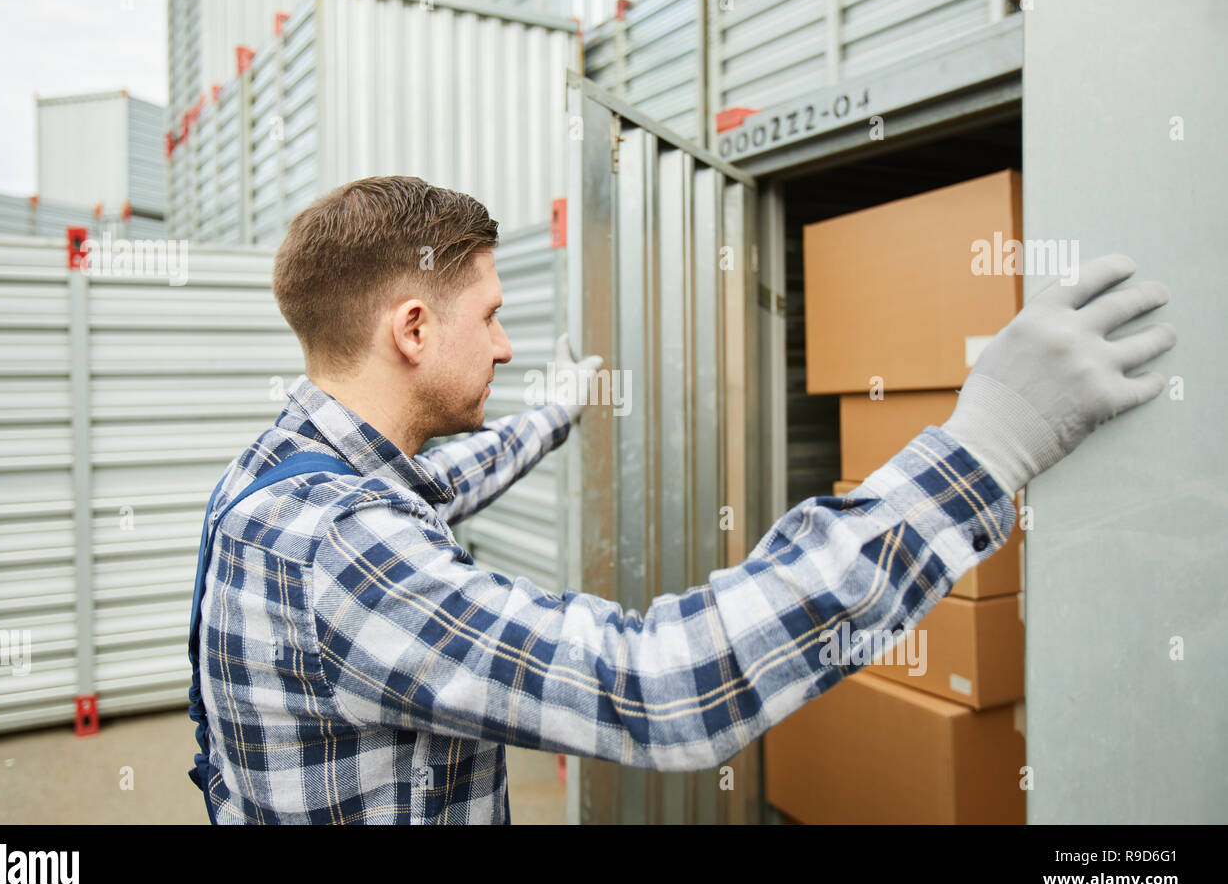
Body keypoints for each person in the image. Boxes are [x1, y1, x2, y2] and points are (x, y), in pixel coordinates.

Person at [186, 175, 1176, 824]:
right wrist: (983, 445)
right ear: (410, 327)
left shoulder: (281, 475)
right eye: (489, 317)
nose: (503, 345)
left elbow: (433, 484)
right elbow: (659, 688)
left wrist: (552, 415)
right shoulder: (348, 551)